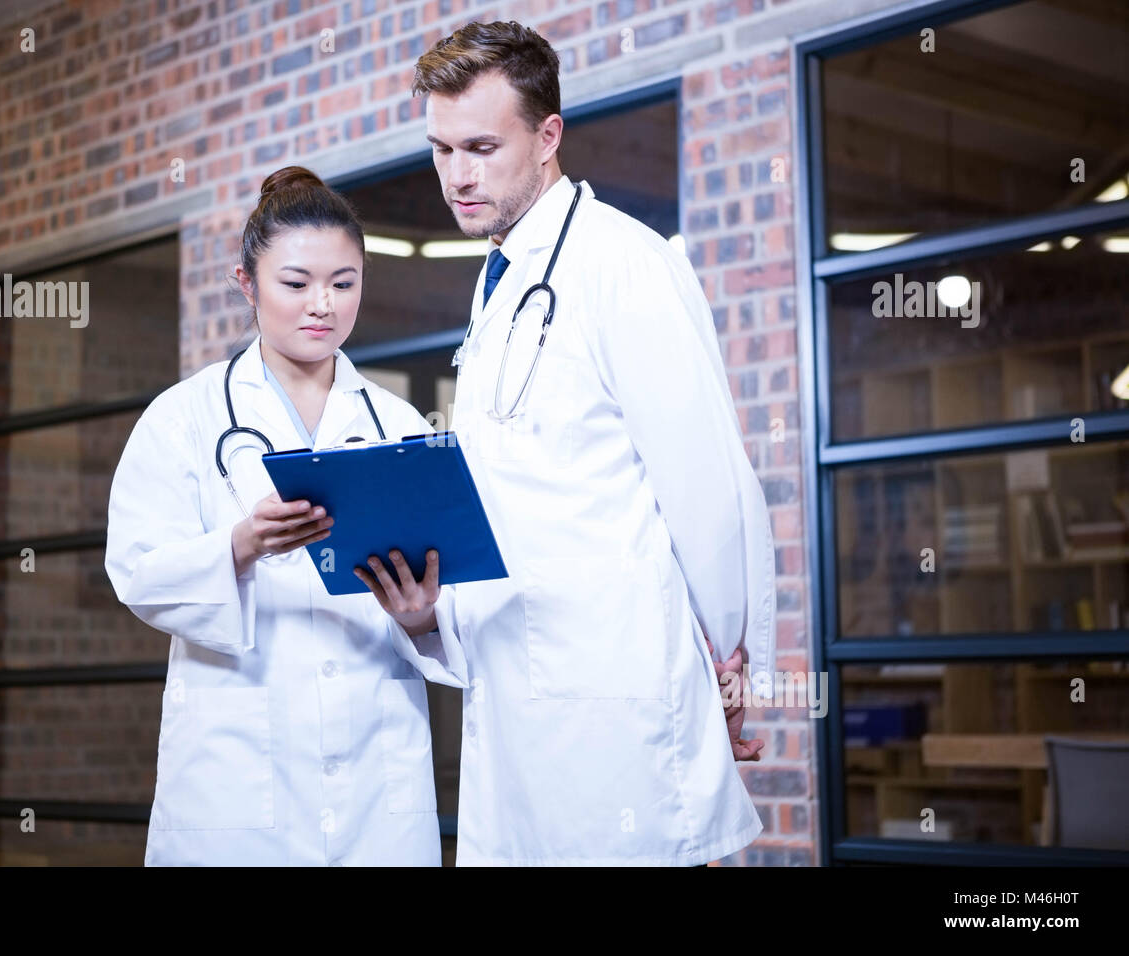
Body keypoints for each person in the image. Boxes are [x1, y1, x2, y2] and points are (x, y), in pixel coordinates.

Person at [361, 20, 778, 866]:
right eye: (441, 150)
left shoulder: (623, 263)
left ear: (548, 136)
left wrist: (730, 668)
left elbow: (705, 486)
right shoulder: (502, 283)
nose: (458, 176)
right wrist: (433, 617)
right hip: (520, 712)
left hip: (617, 716)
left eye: (481, 145)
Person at [105, 165, 466, 866]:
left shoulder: (396, 425)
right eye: (296, 284)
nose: (322, 305)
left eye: (344, 282)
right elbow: (137, 573)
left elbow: (454, 589)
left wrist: (422, 615)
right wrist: (239, 546)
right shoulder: (186, 418)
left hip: (374, 779)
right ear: (247, 283)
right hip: (237, 775)